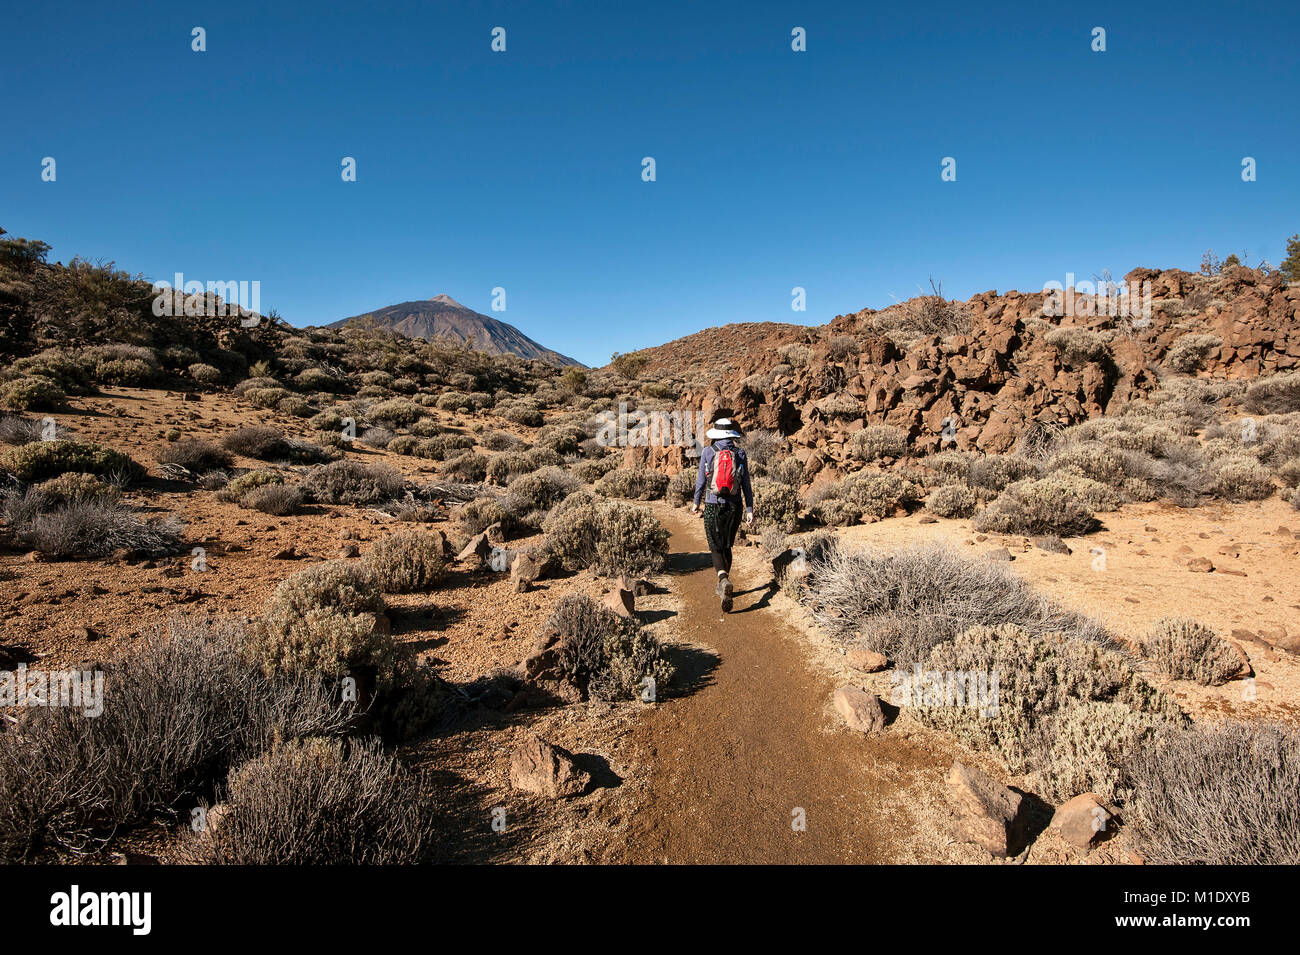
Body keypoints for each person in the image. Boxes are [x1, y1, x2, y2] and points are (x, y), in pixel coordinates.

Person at [690, 417, 754, 612]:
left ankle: (723, 579)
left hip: (712, 505)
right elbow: (746, 485)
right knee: (727, 545)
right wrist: (750, 509)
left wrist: (695, 503)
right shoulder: (740, 453)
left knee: (715, 546)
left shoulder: (709, 452)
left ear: (716, 435)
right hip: (734, 506)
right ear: (731, 435)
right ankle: (724, 582)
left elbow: (701, 481)